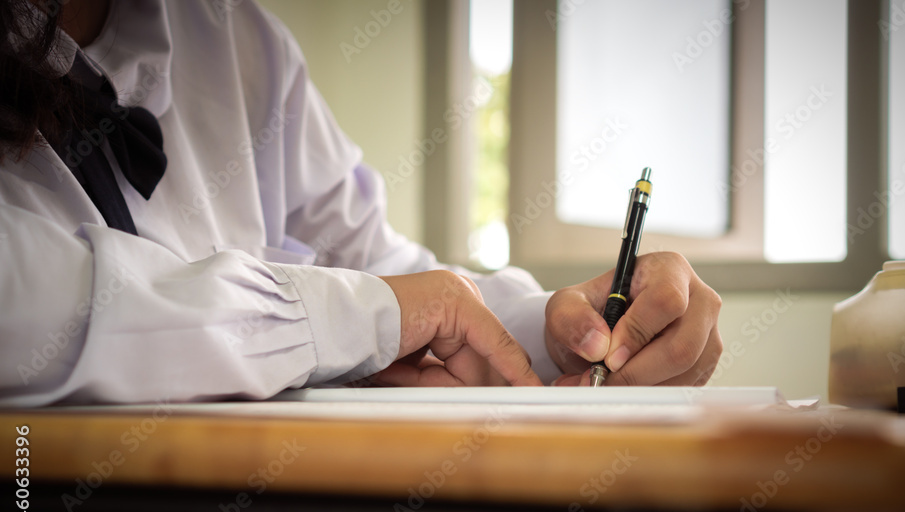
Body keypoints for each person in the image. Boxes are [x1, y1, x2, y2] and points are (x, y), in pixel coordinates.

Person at [0, 0, 722, 406]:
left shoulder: (239, 40)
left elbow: (384, 268)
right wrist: (350, 316)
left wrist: (557, 324)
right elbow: (26, 302)